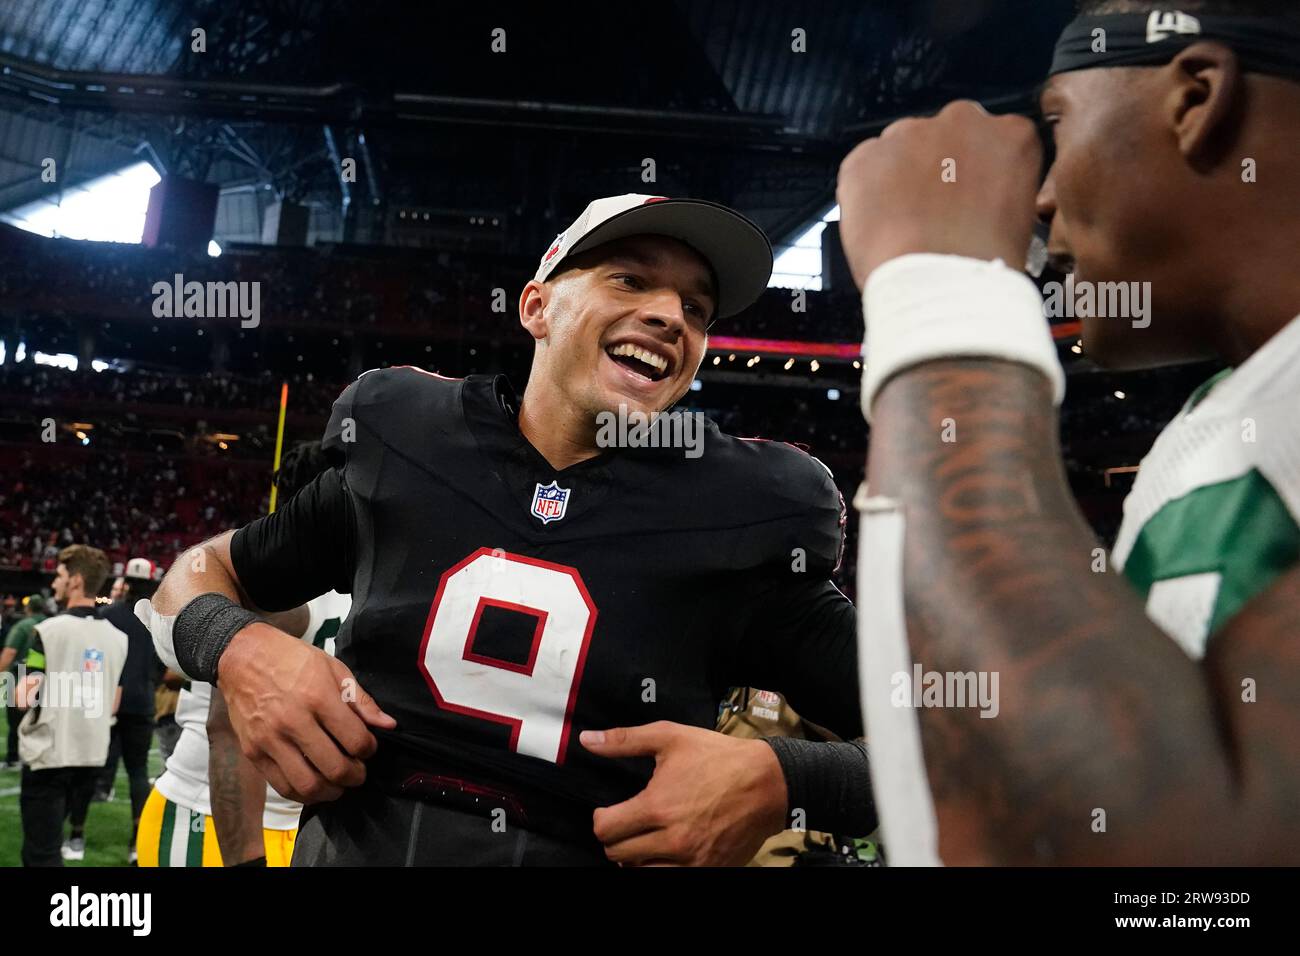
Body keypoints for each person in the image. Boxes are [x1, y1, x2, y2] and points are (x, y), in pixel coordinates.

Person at [141, 194, 875, 866]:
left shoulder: (743, 507)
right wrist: (238, 648)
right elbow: (200, 571)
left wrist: (788, 775)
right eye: (629, 280)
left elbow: (952, 731)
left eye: (697, 309)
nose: (670, 316)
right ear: (537, 306)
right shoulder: (406, 441)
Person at [837, 0, 1300, 864]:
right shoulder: (1235, 407)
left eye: (1057, 123)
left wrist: (942, 297)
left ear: (1196, 97)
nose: (1043, 197)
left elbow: (1191, 878)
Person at [137, 442, 351, 867]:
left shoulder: (349, 580)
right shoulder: (278, 585)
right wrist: (246, 860)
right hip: (212, 824)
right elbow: (227, 729)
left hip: (292, 823)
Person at [16, 546, 128, 866]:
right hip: (92, 753)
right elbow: (112, 703)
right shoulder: (119, 638)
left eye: (60, 575)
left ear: (76, 581)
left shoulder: (48, 631)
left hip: (50, 755)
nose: (54, 583)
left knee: (40, 852)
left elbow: (25, 696)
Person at [62, 558, 161, 863]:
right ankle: (136, 845)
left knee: (90, 770)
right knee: (138, 774)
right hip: (143, 702)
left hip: (106, 701)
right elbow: (164, 664)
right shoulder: (158, 619)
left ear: (126, 580)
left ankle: (76, 836)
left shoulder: (108, 615)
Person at [1, 594, 47, 768]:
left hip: (21, 675)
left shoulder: (23, 626)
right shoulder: (51, 623)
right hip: (47, 678)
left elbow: (10, 653)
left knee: (15, 721)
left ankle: (14, 756)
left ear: (28, 608)